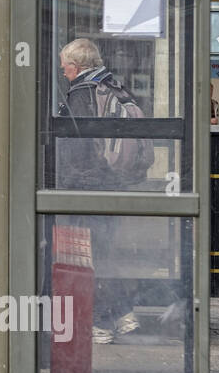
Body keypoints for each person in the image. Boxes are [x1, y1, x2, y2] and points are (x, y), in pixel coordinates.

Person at [56, 38, 153, 343]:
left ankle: (100, 323)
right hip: (113, 181)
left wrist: (65, 182)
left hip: (88, 186)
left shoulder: (82, 94)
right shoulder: (114, 86)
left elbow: (78, 148)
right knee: (105, 252)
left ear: (76, 66)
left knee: (88, 257)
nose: (62, 71)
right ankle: (124, 315)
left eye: (65, 66)